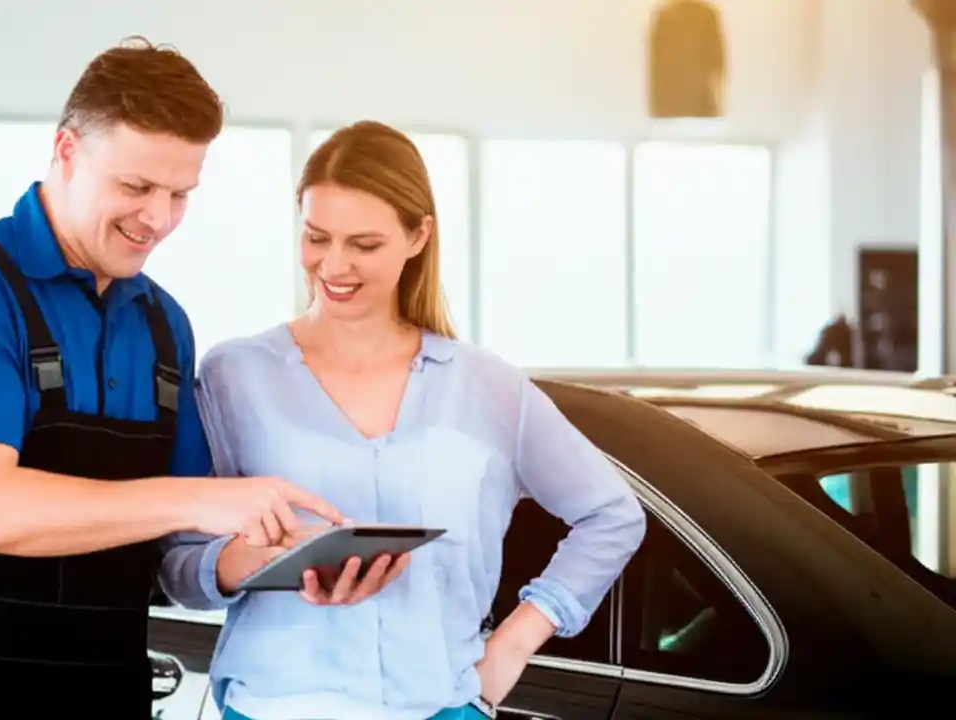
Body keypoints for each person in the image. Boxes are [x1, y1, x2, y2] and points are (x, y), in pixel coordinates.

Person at [0, 38, 343, 720]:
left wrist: (286, 557)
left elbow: (180, 554)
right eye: (135, 186)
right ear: (66, 151)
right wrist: (199, 502)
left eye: (180, 193)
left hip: (108, 682)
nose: (158, 218)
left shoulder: (163, 325)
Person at [160, 120, 647, 720]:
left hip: (439, 706)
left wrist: (513, 647)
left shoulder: (486, 385)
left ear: (419, 236)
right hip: (272, 704)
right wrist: (262, 562)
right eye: (316, 237)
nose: (333, 266)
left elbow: (612, 516)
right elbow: (179, 567)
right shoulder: (235, 374)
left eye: (364, 245)